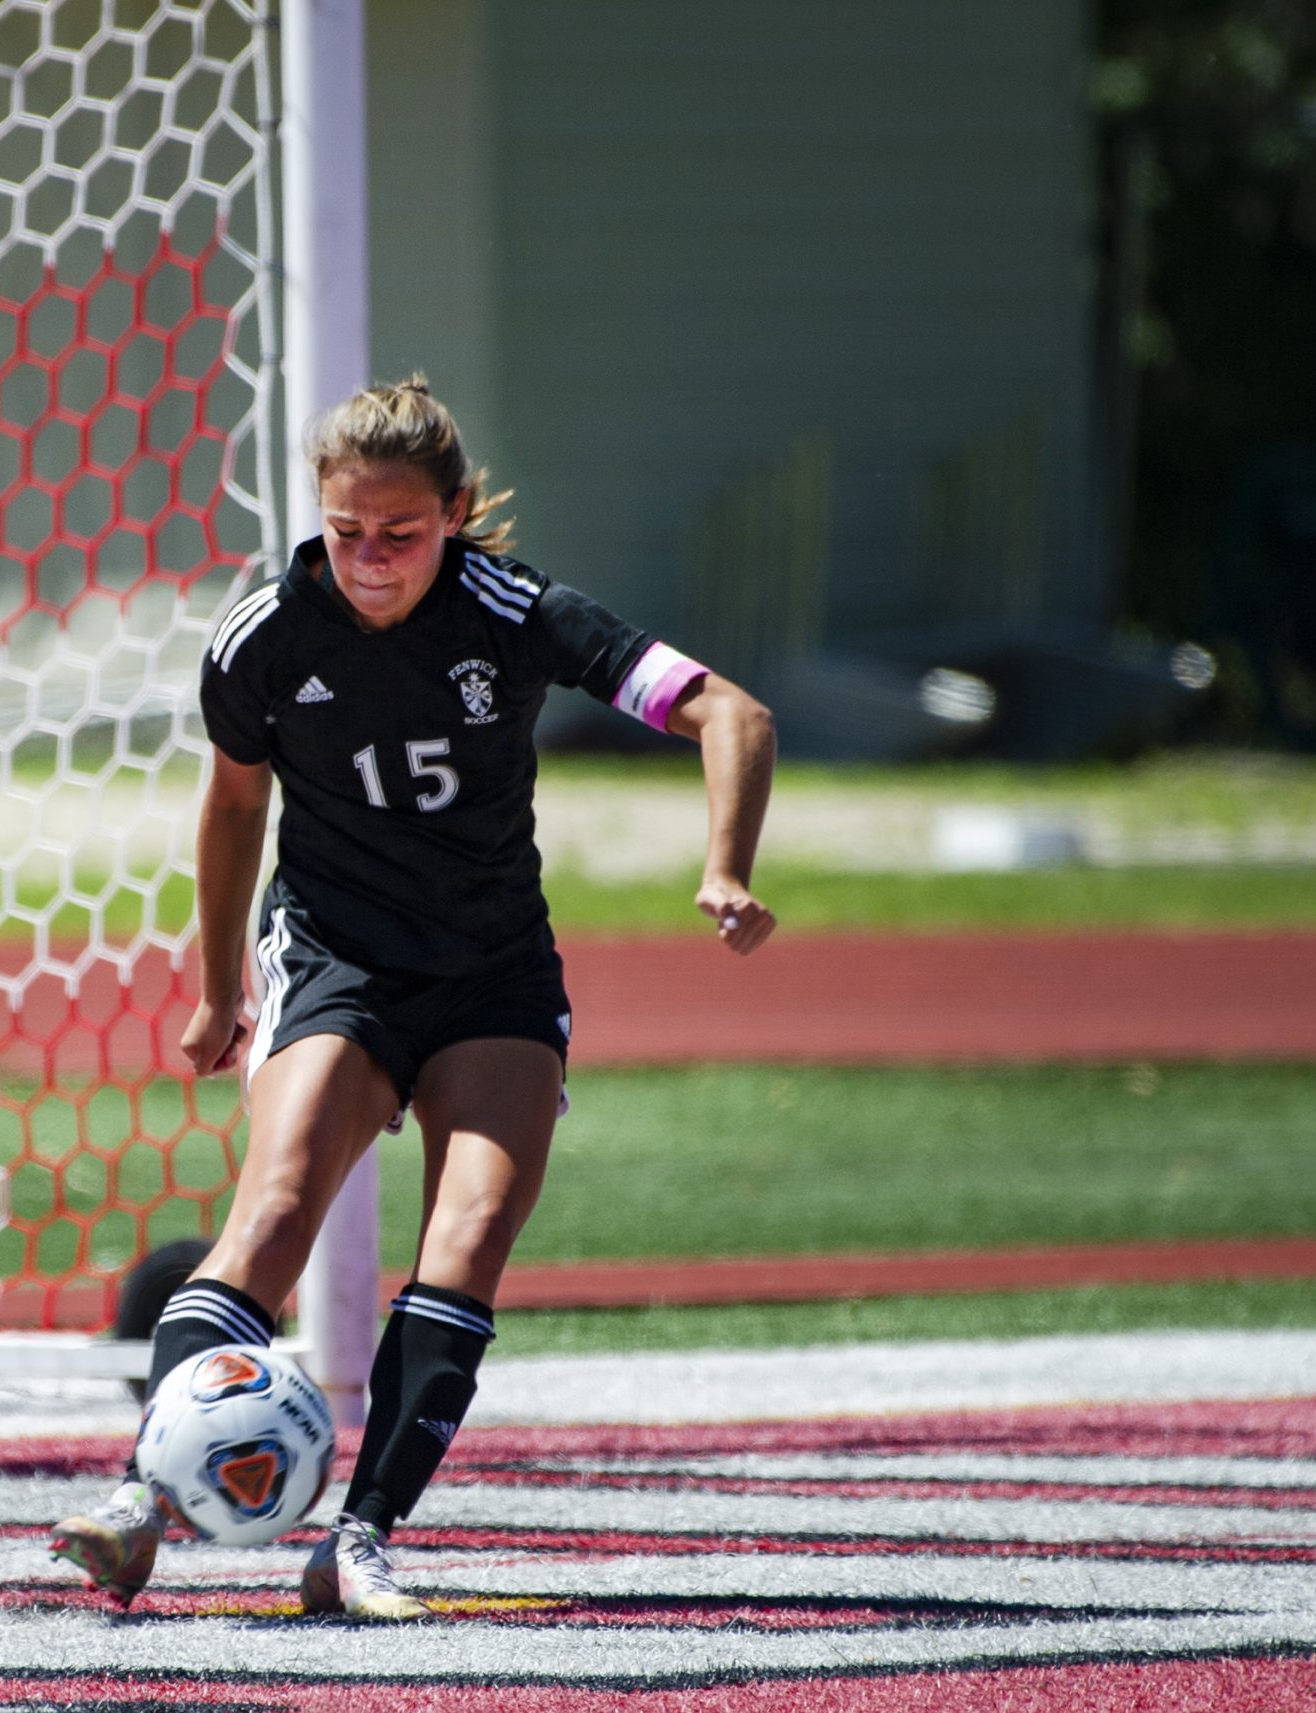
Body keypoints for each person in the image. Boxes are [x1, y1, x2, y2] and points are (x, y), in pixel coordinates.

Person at [49, 377, 777, 1617]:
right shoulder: (265, 636)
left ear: (451, 515)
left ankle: (362, 1539)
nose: (371, 559)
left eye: (400, 533)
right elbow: (233, 808)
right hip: (335, 953)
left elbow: (729, 709)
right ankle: (137, 1497)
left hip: (492, 969)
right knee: (274, 1210)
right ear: (317, 516)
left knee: (469, 1239)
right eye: (345, 532)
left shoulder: (516, 611)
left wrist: (724, 867)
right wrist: (219, 987)